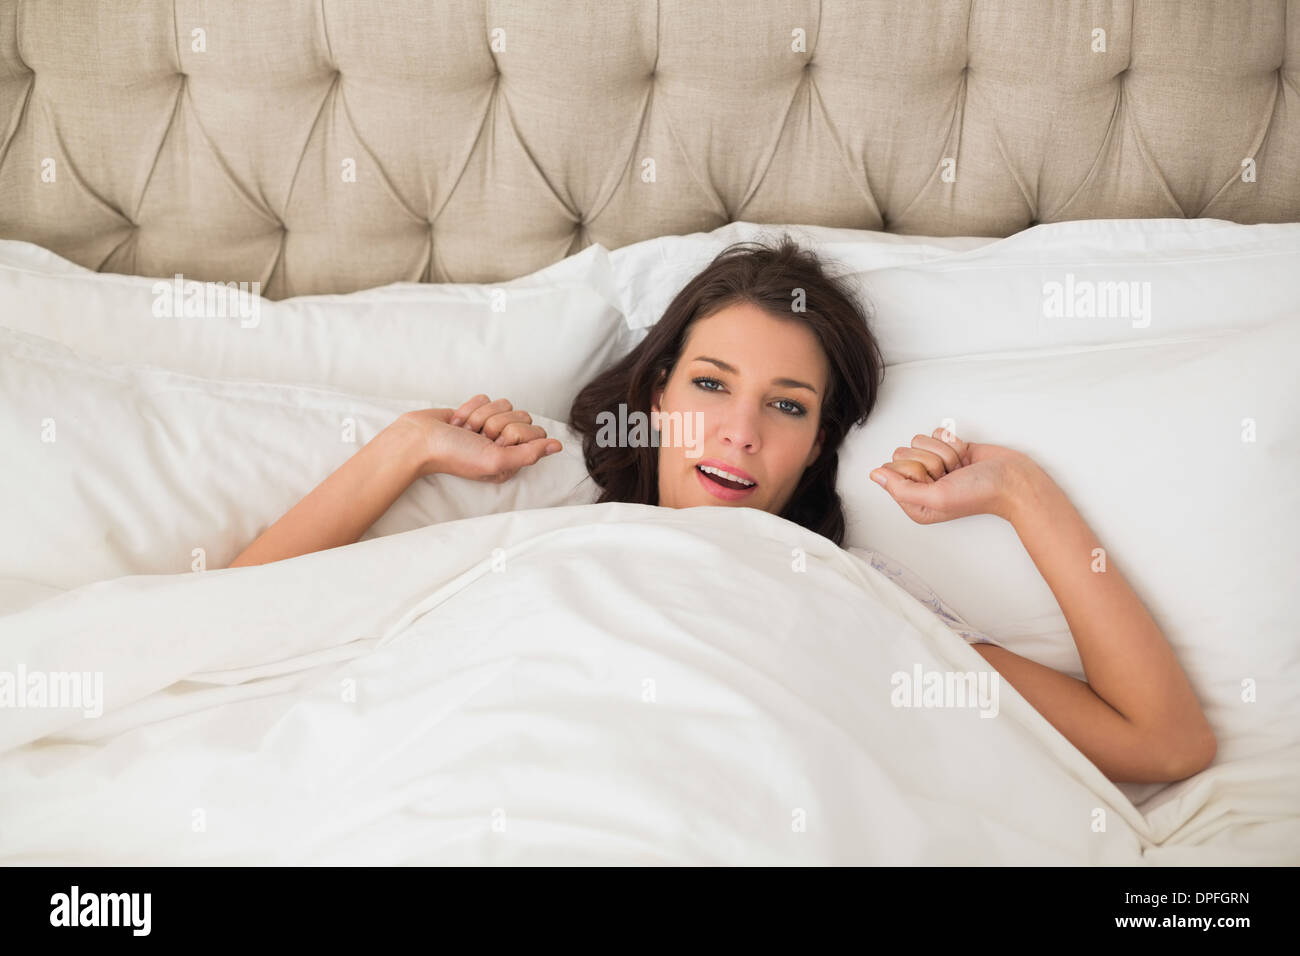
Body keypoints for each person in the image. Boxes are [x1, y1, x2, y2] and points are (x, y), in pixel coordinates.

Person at [228, 235, 1216, 785]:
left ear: (819, 441)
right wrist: (404, 446)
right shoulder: (540, 533)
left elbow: (1163, 743)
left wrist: (1020, 491)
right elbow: (229, 620)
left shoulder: (858, 593)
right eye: (710, 384)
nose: (739, 431)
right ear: (655, 394)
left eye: (786, 405)